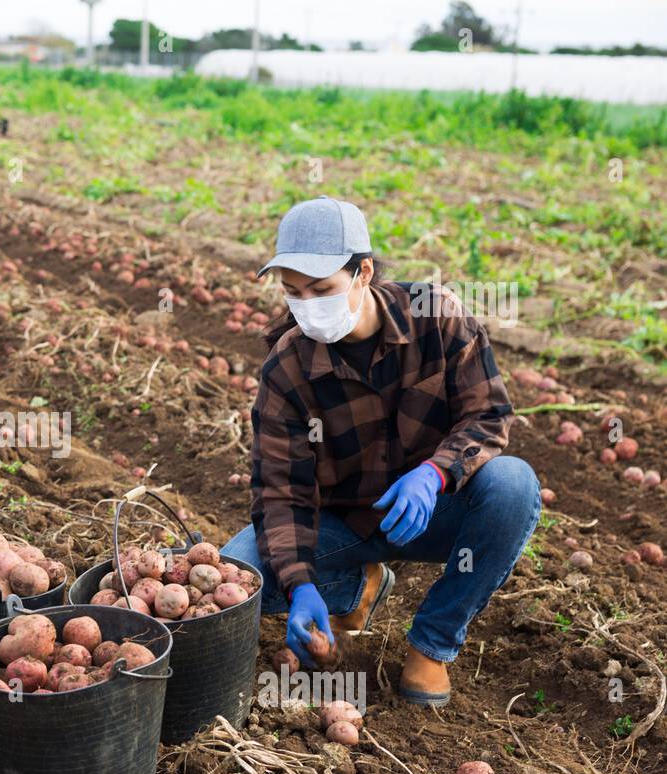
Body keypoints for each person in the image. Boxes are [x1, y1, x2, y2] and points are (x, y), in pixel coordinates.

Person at [221, 196, 539, 707]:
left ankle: (431, 645)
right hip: (344, 523)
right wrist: (301, 585)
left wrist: (435, 474)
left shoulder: (434, 316)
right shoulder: (288, 367)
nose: (307, 305)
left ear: (363, 271)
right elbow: (281, 492)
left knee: (513, 485)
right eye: (293, 292)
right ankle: (352, 588)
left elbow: (488, 415)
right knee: (236, 577)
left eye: (321, 289)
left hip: (434, 511)